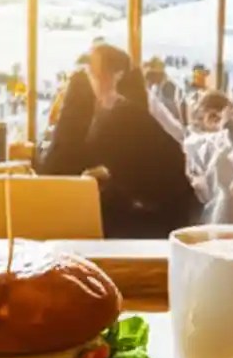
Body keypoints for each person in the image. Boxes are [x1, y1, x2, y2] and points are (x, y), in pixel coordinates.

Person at [41, 44, 197, 238]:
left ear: (114, 76)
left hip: (150, 222)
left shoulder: (123, 116)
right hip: (165, 216)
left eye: (93, 72)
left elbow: (58, 171)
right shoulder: (121, 110)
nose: (88, 76)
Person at [143, 57, 183, 125]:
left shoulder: (169, 87)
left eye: (150, 74)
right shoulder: (155, 87)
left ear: (158, 74)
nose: (147, 78)